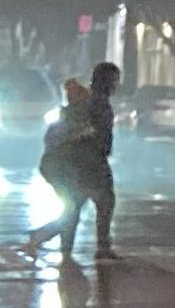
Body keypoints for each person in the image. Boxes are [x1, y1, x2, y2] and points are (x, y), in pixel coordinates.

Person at [26, 80, 96, 258]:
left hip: (64, 168)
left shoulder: (77, 119)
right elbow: (58, 143)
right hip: (58, 168)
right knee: (72, 207)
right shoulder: (68, 120)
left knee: (74, 207)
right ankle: (42, 236)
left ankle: (64, 247)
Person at [84, 62, 121, 259]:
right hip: (93, 159)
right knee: (106, 201)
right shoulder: (98, 102)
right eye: (115, 80)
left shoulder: (97, 99)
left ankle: (40, 237)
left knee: (78, 205)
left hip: (92, 157)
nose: (117, 85)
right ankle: (103, 247)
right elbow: (96, 132)